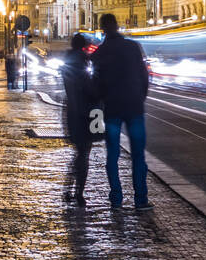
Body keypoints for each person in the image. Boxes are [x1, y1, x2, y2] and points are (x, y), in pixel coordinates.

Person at [90, 14, 152, 210]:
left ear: (102, 30)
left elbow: (96, 86)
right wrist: (139, 98)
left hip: (112, 109)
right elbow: (144, 77)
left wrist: (103, 100)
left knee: (112, 156)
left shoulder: (99, 53)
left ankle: (116, 198)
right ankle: (140, 199)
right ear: (117, 26)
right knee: (138, 156)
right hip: (134, 107)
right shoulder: (133, 47)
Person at [60, 35, 97, 208]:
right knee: (83, 153)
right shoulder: (80, 63)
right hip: (83, 112)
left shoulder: (70, 61)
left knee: (80, 152)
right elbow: (89, 88)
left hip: (72, 111)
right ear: (83, 46)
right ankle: (78, 193)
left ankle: (70, 189)